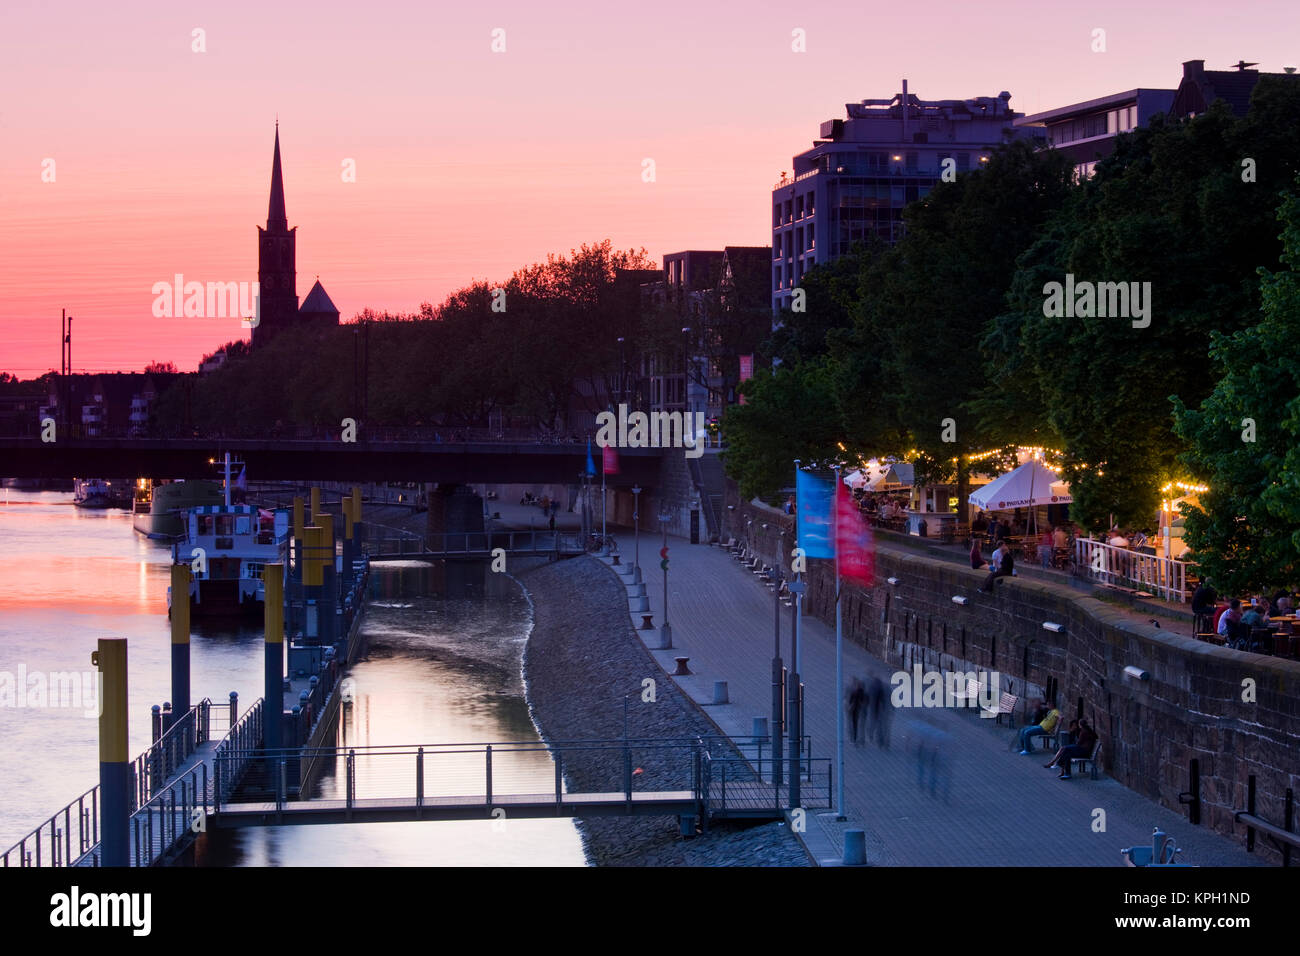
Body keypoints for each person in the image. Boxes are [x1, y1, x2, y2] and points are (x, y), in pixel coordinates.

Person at [847, 679, 867, 745]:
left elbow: (850, 701)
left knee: (855, 725)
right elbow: (867, 702)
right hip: (860, 711)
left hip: (855, 711)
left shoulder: (854, 693)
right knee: (861, 726)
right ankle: (861, 740)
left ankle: (855, 739)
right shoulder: (864, 694)